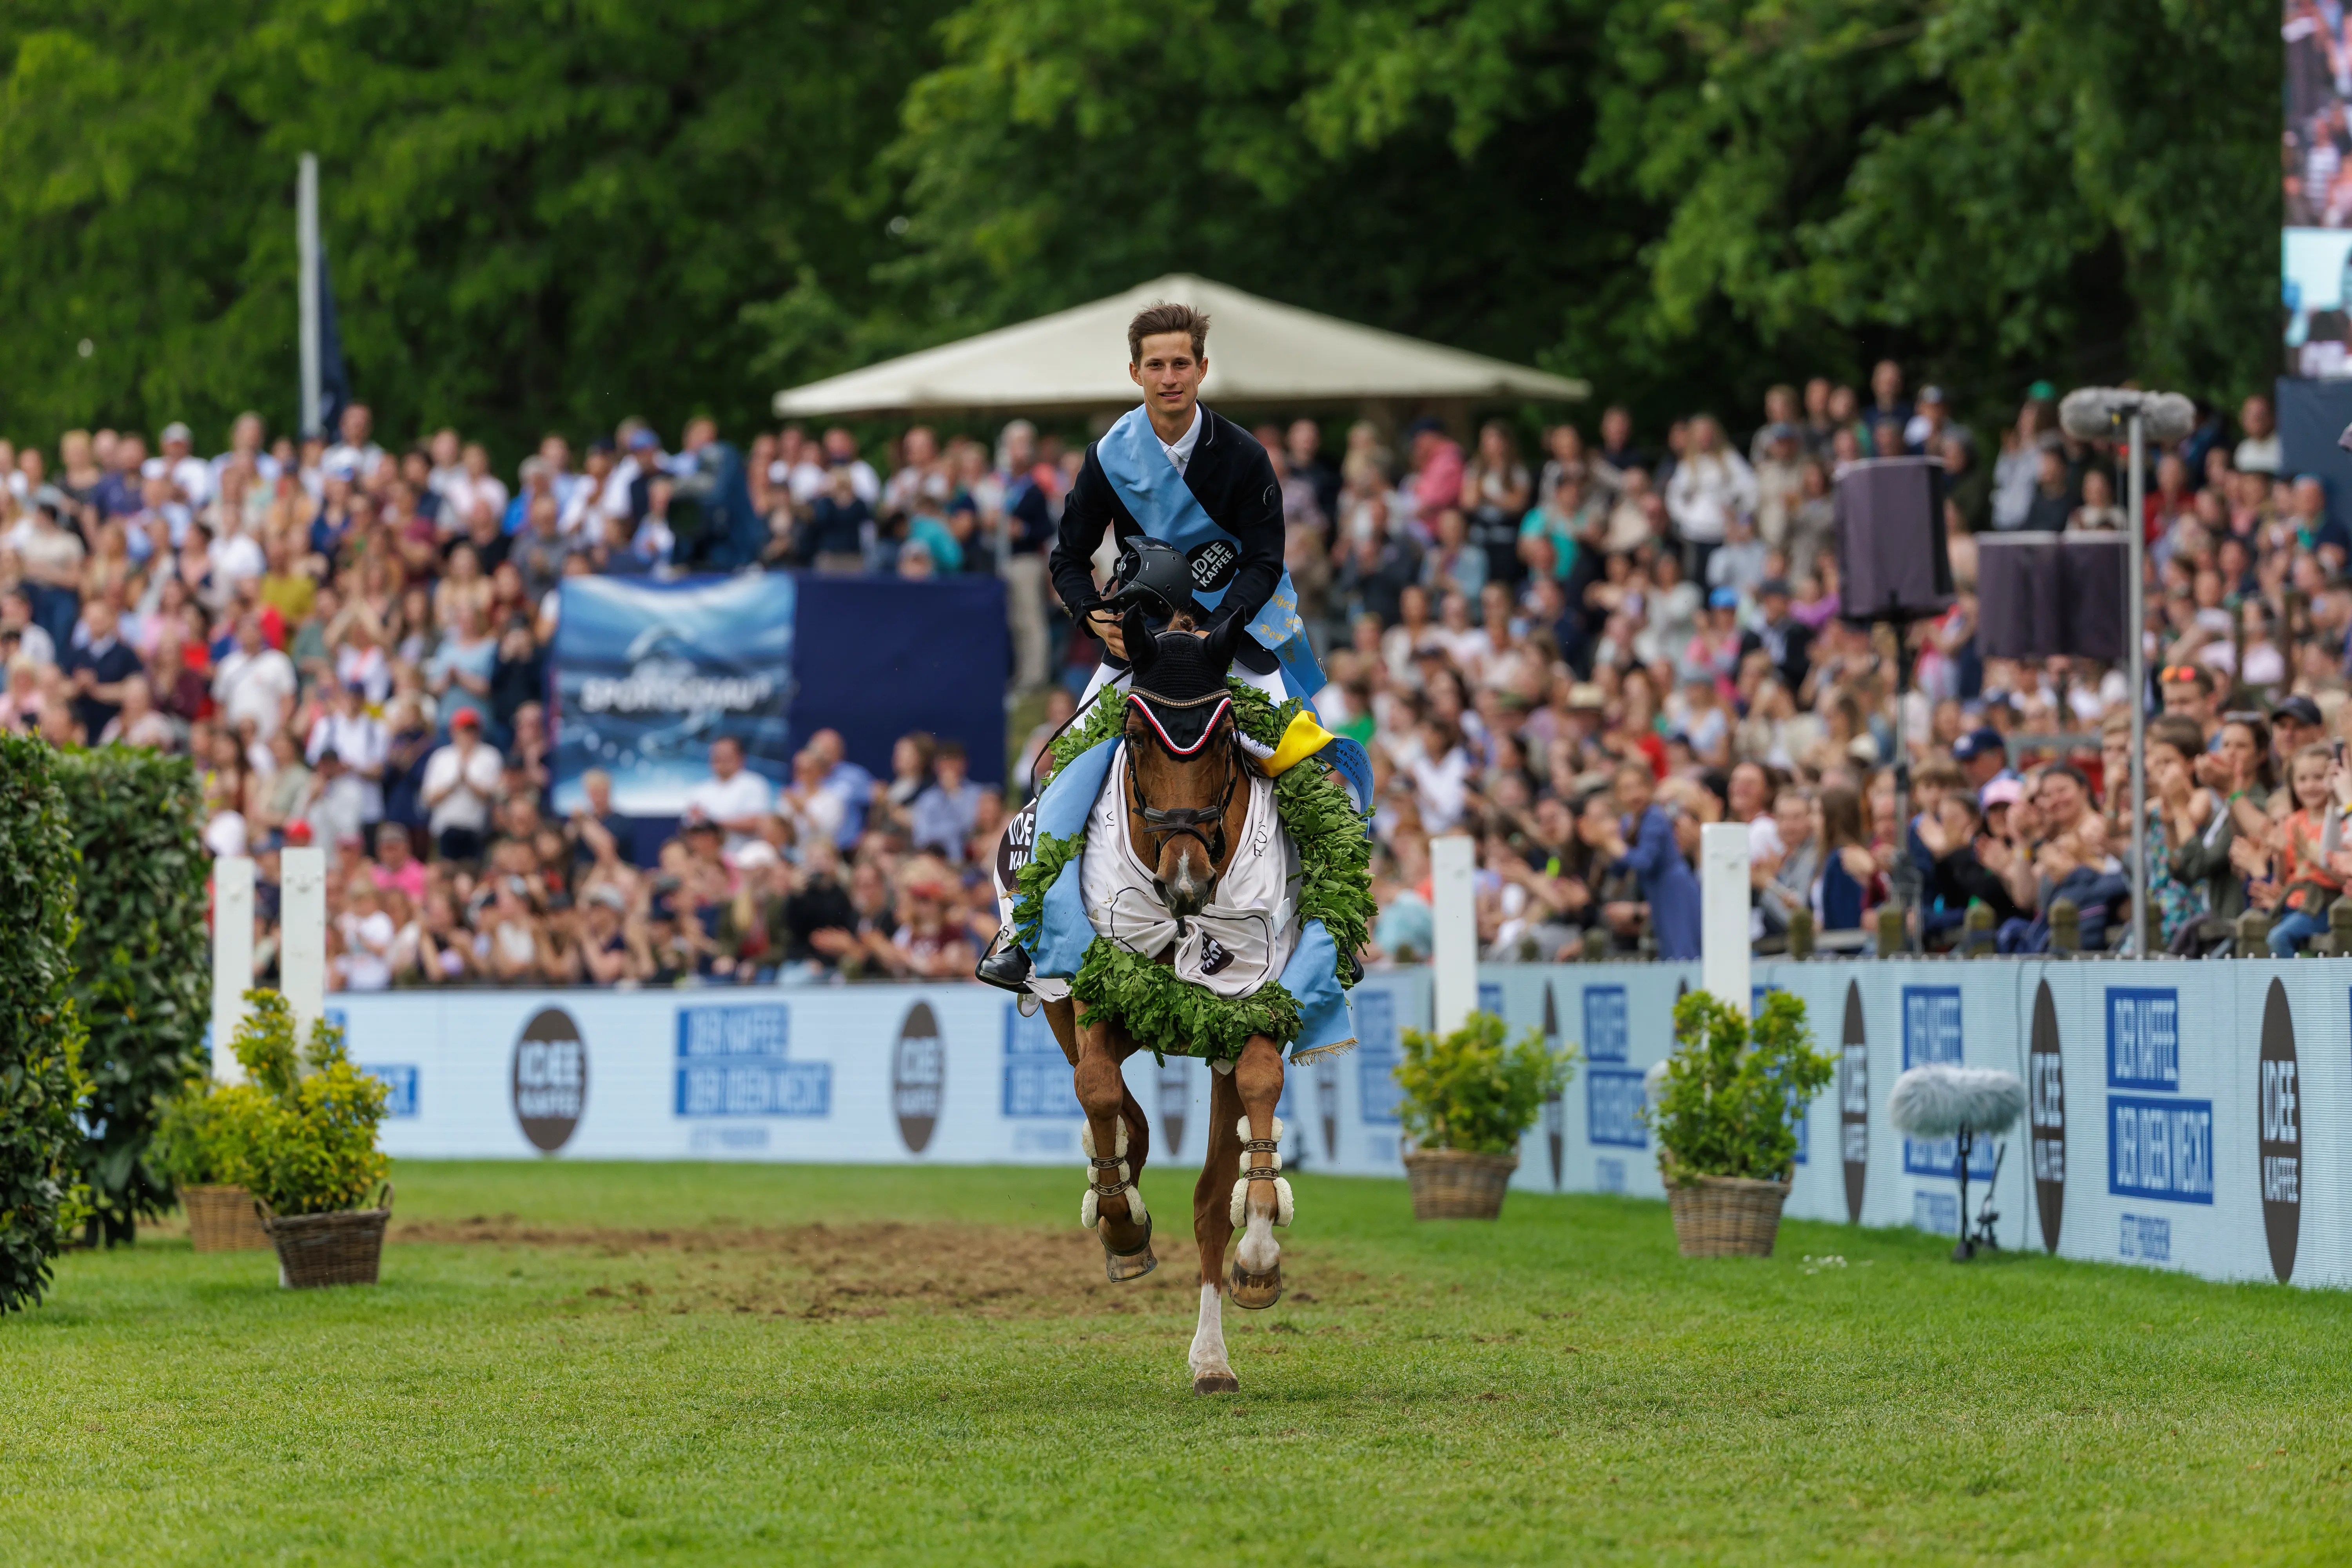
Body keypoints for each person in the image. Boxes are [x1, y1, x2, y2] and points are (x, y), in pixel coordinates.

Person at [1048, 301, 1294, 707]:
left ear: (1202, 369)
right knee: (1073, 765)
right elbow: (1068, 558)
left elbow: (1264, 561)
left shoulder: (1246, 455)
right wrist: (1092, 615)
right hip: (1142, 639)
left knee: (1295, 761)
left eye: (1181, 364)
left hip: (1236, 634)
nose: (1169, 379)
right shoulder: (1106, 457)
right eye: (1156, 365)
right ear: (1135, 372)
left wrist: (1212, 633)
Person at [1586, 759, 1700, 959]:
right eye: (1626, 789)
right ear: (1618, 795)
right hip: (1658, 894)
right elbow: (1620, 869)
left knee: (1683, 950)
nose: (1634, 794)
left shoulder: (1655, 817)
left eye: (1639, 786)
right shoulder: (1629, 822)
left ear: (1650, 787)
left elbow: (1644, 862)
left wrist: (1615, 845)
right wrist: (1604, 846)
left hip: (1675, 890)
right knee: (1669, 948)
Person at [419, 708, 503, 862]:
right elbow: (428, 799)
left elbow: (494, 796)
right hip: (444, 828)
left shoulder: (490, 756)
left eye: (472, 730)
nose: (468, 735)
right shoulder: (441, 757)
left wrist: (469, 782)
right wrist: (453, 784)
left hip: (476, 829)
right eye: (464, 730)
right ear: (453, 732)